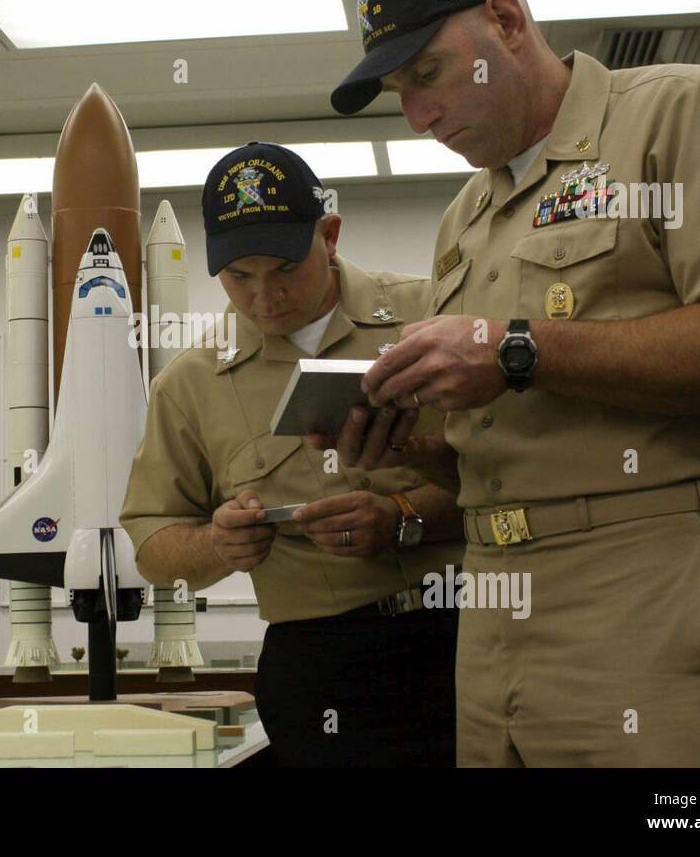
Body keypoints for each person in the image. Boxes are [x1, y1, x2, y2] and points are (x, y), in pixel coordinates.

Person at [323, 0, 700, 766]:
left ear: (508, 21)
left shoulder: (672, 110)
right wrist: (401, 443)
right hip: (490, 596)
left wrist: (516, 349)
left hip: (641, 585)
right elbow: (500, 443)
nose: (417, 116)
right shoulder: (465, 218)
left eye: (428, 74)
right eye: (396, 92)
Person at [120, 142, 463, 767]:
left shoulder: (429, 316)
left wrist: (403, 518)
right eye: (239, 276)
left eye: (284, 269)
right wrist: (216, 547)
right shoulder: (190, 384)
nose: (263, 297)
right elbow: (152, 543)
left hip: (465, 634)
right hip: (320, 664)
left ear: (328, 235)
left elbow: (518, 477)